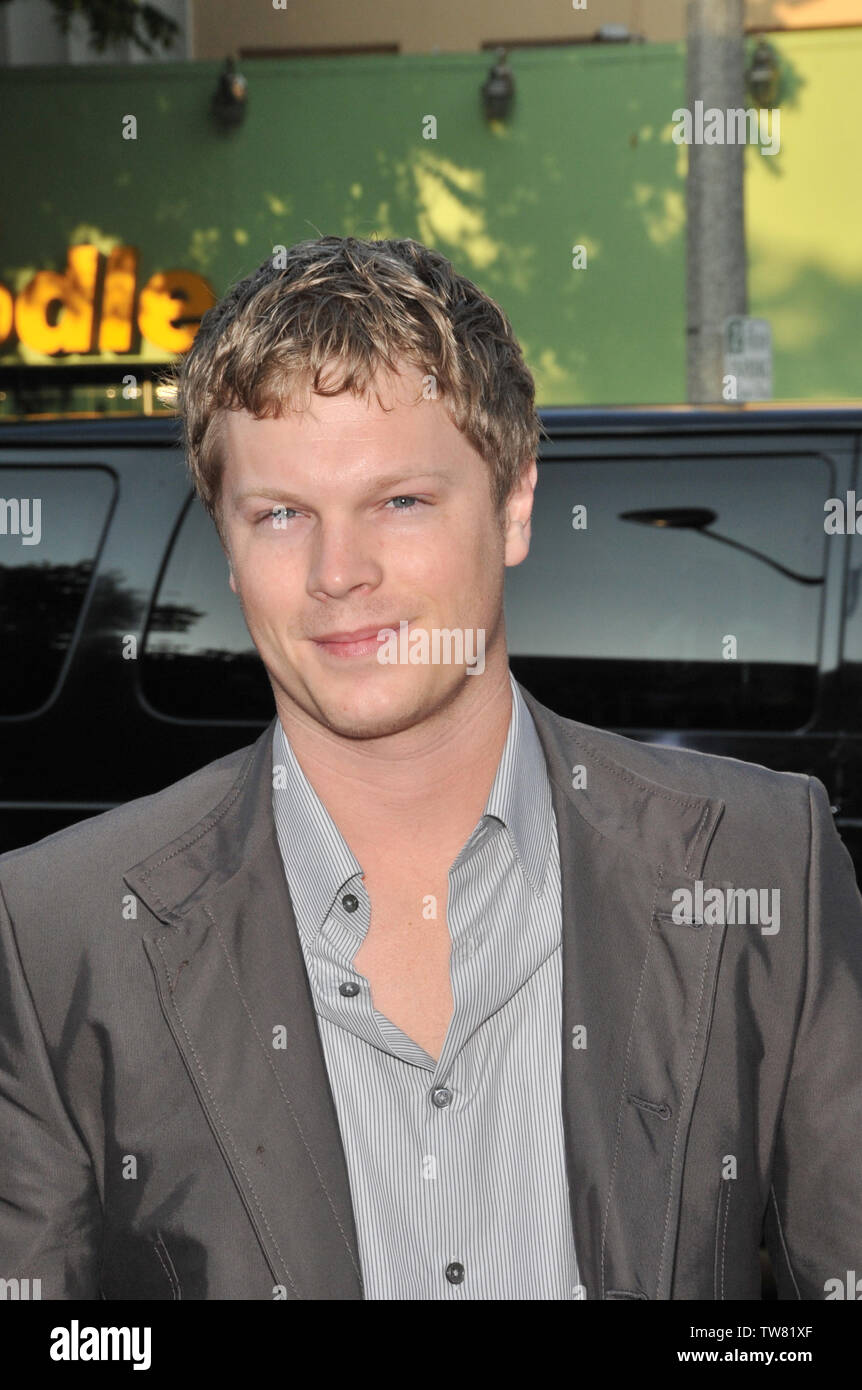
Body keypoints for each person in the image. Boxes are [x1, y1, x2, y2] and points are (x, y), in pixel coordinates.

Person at [1, 235, 861, 1301]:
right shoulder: (57, 926)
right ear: (226, 547)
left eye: (400, 501)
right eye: (280, 514)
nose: (338, 573)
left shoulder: (760, 863)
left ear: (513, 507)